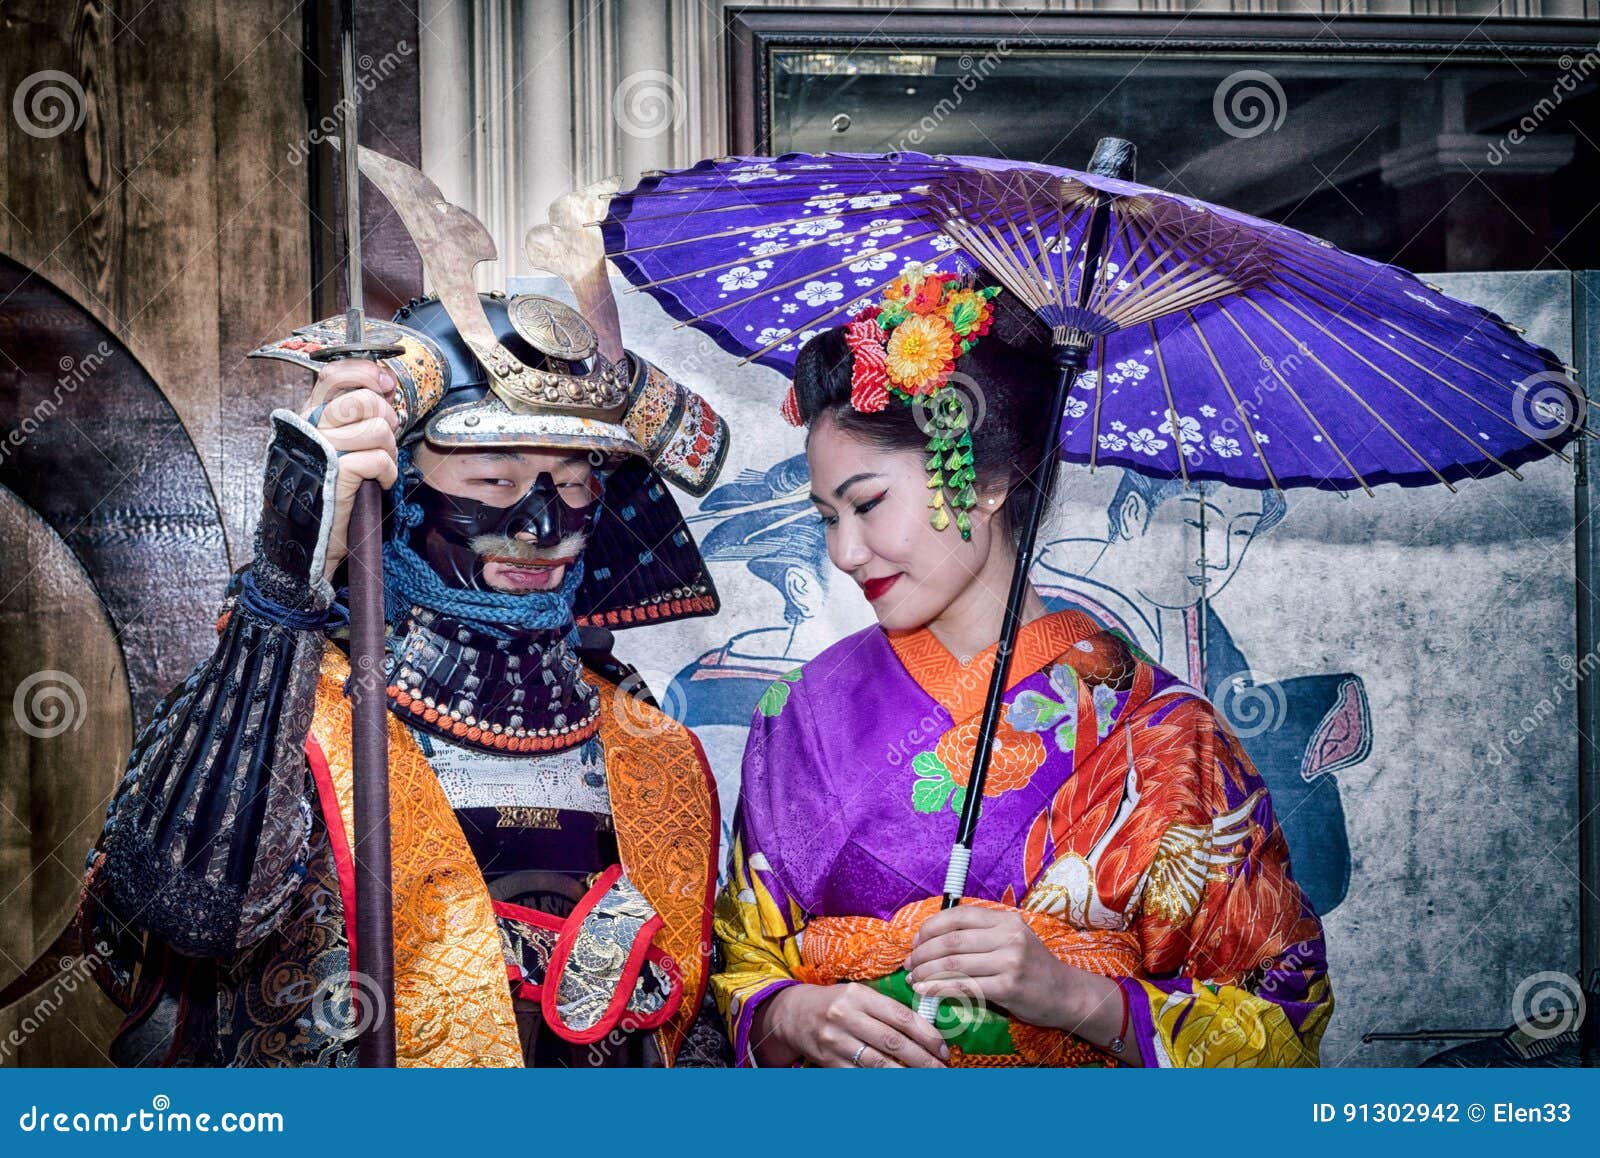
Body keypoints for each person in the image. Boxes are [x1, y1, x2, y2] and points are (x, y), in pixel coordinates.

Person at [67, 197, 732, 1067]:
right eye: (493, 478)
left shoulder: (650, 744)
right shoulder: (302, 711)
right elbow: (187, 907)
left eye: (572, 483)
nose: (543, 527)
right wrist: (282, 581)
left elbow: (690, 1030)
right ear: (401, 494)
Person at [709, 266, 1334, 1068]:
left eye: (868, 506)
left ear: (990, 482)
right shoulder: (805, 708)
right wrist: (790, 1016)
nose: (844, 552)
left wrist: (1075, 998)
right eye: (827, 517)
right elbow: (740, 961)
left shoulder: (1167, 734)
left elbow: (1281, 1016)